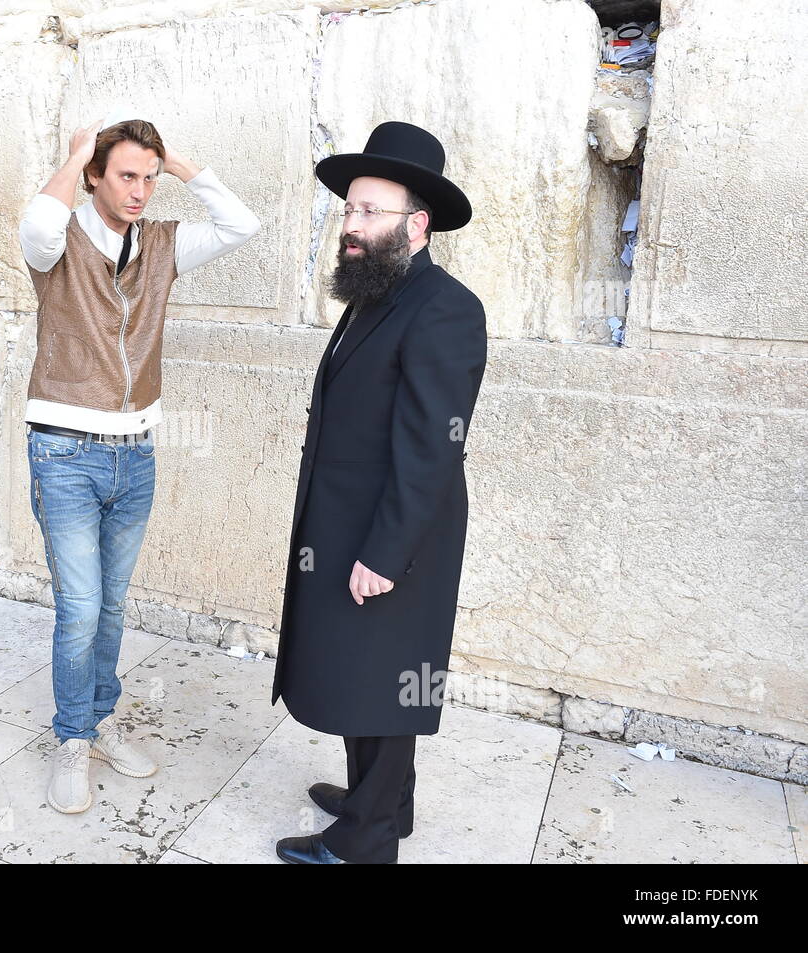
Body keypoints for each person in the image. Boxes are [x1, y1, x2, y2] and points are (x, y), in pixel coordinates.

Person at [18, 112, 260, 814]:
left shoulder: (162, 244)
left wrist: (178, 163)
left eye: (148, 179)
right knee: (81, 607)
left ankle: (100, 721)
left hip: (136, 455)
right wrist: (73, 156)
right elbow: (36, 225)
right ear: (94, 176)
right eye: (126, 175)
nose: (140, 190)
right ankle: (71, 738)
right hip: (63, 449)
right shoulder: (58, 236)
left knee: (115, 604)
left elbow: (242, 224)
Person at [272, 122, 488, 864]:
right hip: (348, 526)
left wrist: (387, 553)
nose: (353, 225)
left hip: (398, 535)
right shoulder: (375, 294)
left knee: (391, 681)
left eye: (371, 212)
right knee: (365, 671)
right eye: (350, 210)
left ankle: (364, 840)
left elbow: (433, 444)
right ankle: (383, 800)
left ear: (416, 224)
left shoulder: (444, 307)